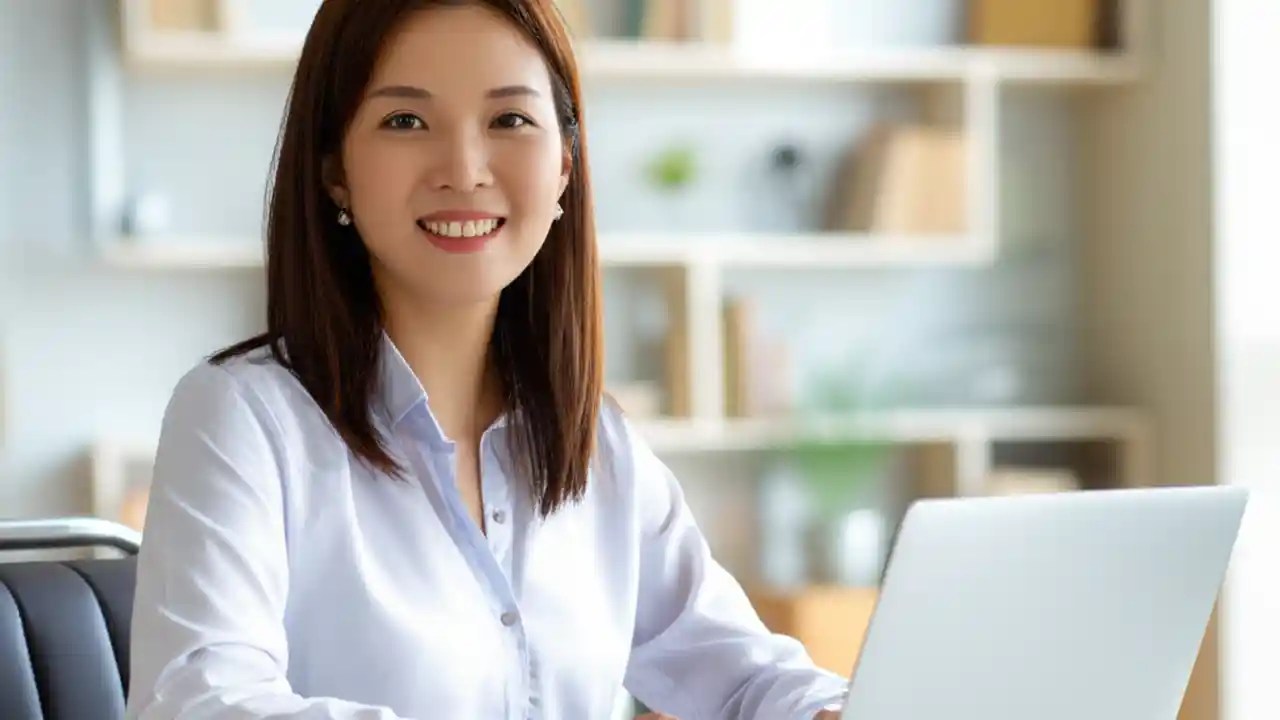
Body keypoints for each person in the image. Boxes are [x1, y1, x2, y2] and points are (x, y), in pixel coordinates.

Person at [125, 1, 849, 718]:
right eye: (405, 121)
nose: (464, 170)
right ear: (333, 170)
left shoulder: (596, 445)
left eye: (510, 120)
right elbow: (199, 702)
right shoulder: (242, 420)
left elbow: (746, 678)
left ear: (565, 166)